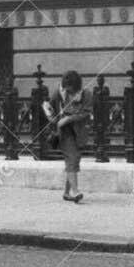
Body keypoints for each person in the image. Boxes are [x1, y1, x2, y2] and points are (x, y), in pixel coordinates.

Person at [42, 71, 89, 203]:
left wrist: (68, 118)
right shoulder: (59, 92)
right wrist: (51, 117)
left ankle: (67, 193)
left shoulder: (86, 94)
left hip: (79, 131)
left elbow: (86, 113)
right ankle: (75, 192)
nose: (68, 90)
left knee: (73, 160)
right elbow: (48, 107)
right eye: (66, 87)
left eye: (71, 87)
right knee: (72, 158)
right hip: (64, 132)